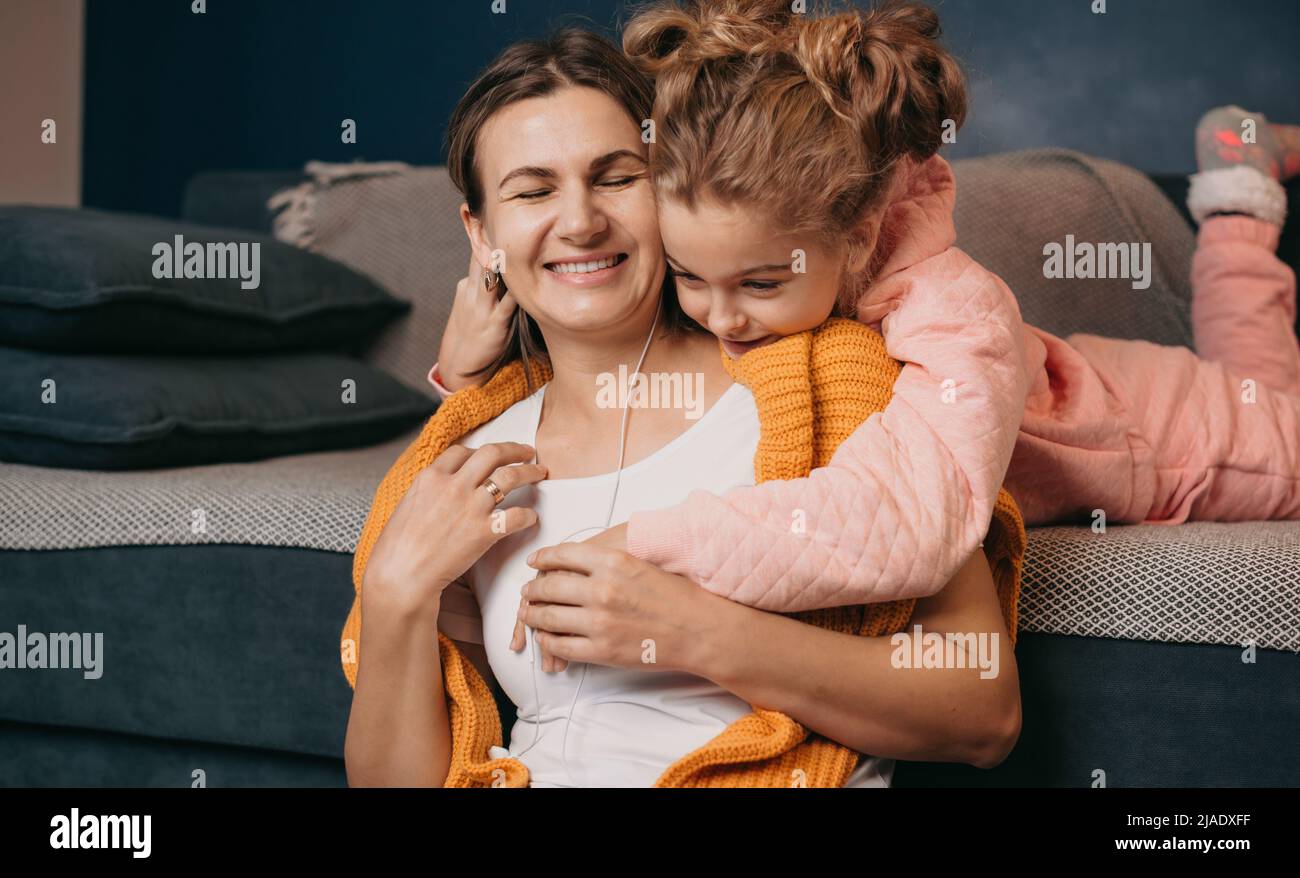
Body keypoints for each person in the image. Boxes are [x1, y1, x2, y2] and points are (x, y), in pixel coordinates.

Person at [341, 26, 1022, 788]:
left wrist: (700, 634)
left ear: (672, 187)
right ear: (483, 235)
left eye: (616, 176)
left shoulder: (836, 384)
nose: (580, 222)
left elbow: (982, 711)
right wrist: (395, 596)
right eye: (533, 191)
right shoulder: (469, 466)